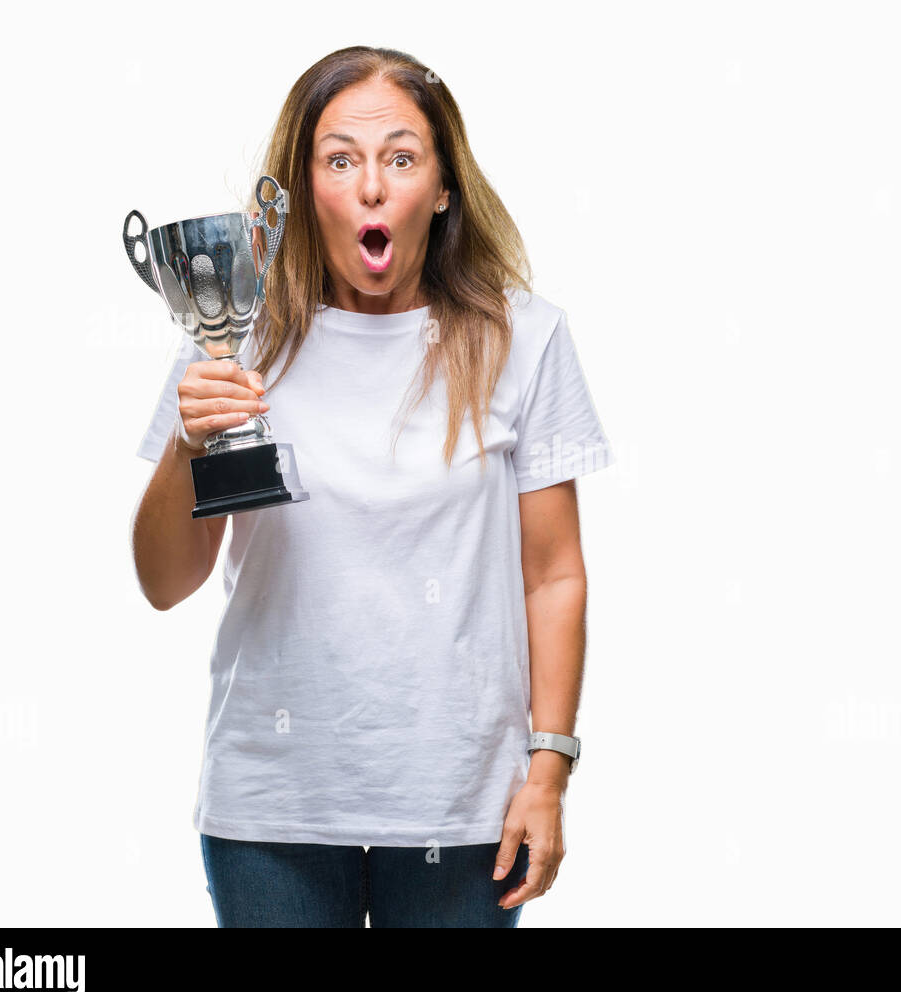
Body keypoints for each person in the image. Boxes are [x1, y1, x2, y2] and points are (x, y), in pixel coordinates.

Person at [130, 46, 615, 928]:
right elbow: (165, 584)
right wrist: (185, 446)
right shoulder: (235, 339)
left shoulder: (526, 339)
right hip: (271, 806)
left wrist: (549, 771)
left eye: (401, 156)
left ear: (441, 186)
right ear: (301, 188)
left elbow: (554, 576)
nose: (371, 186)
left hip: (465, 808)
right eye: (340, 159)